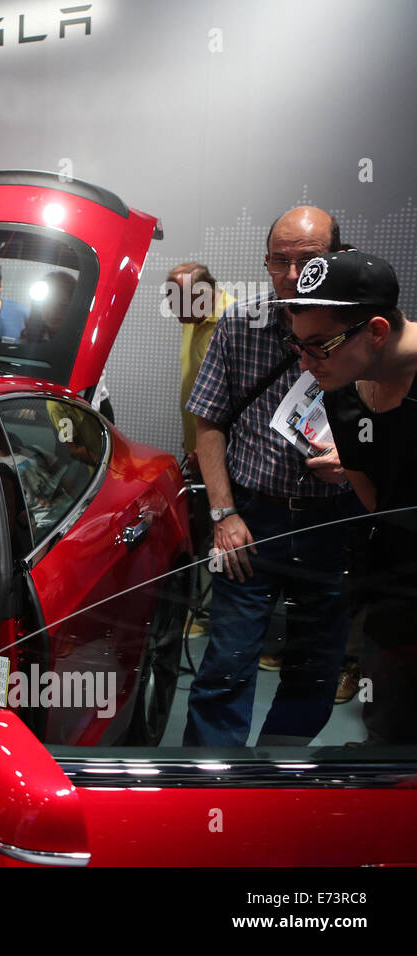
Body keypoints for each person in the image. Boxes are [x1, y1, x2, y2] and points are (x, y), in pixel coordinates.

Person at [182, 205, 358, 747]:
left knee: (315, 666)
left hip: (333, 521)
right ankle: (211, 792)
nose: (289, 274)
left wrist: (354, 465)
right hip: (252, 519)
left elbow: (392, 426)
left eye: (304, 261)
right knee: (227, 661)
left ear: (335, 259)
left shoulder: (361, 331)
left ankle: (277, 779)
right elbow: (208, 419)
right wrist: (222, 512)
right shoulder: (242, 324)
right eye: (277, 261)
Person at [281, 249, 416, 742]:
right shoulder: (341, 388)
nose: (305, 361)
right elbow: (377, 502)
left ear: (376, 332)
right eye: (298, 345)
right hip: (398, 601)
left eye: (319, 345)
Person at [165, 262, 234, 471]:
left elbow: (241, 401)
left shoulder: (234, 321)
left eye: (178, 301)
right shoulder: (192, 317)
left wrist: (208, 448)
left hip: (222, 453)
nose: (171, 307)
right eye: (170, 299)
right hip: (196, 448)